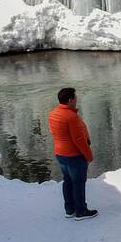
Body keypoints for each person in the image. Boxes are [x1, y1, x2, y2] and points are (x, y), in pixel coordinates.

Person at [48, 87, 97, 220]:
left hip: (61, 154)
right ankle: (81, 211)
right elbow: (79, 140)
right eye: (75, 97)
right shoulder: (71, 117)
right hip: (74, 155)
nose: (77, 99)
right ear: (70, 100)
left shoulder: (53, 114)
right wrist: (89, 155)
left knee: (68, 181)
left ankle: (69, 209)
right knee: (78, 182)